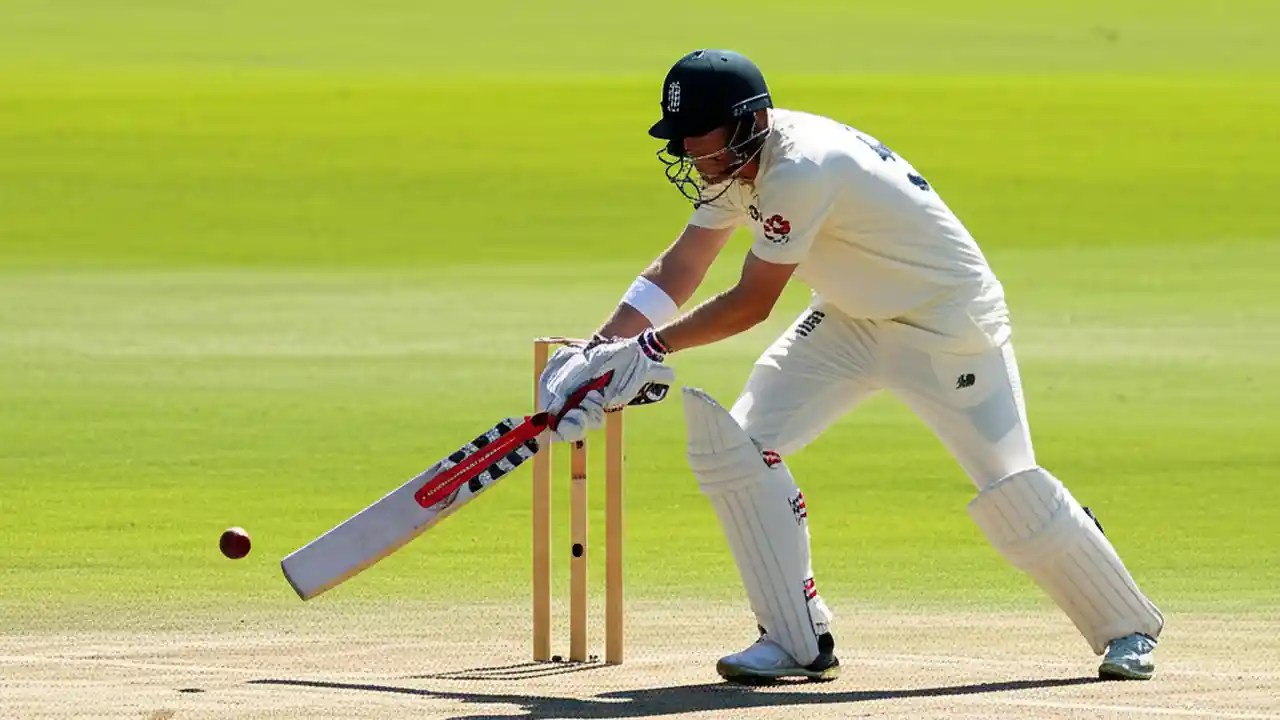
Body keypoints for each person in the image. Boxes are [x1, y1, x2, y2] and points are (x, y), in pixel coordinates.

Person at [536, 48, 1163, 684]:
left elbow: (752, 303)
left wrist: (645, 351)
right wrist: (595, 351)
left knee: (1012, 491)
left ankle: (1127, 627)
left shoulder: (799, 169)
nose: (696, 159)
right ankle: (793, 638)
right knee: (738, 448)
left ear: (748, 123)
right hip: (851, 320)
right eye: (687, 146)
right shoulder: (737, 166)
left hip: (946, 326)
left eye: (705, 143)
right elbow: (682, 265)